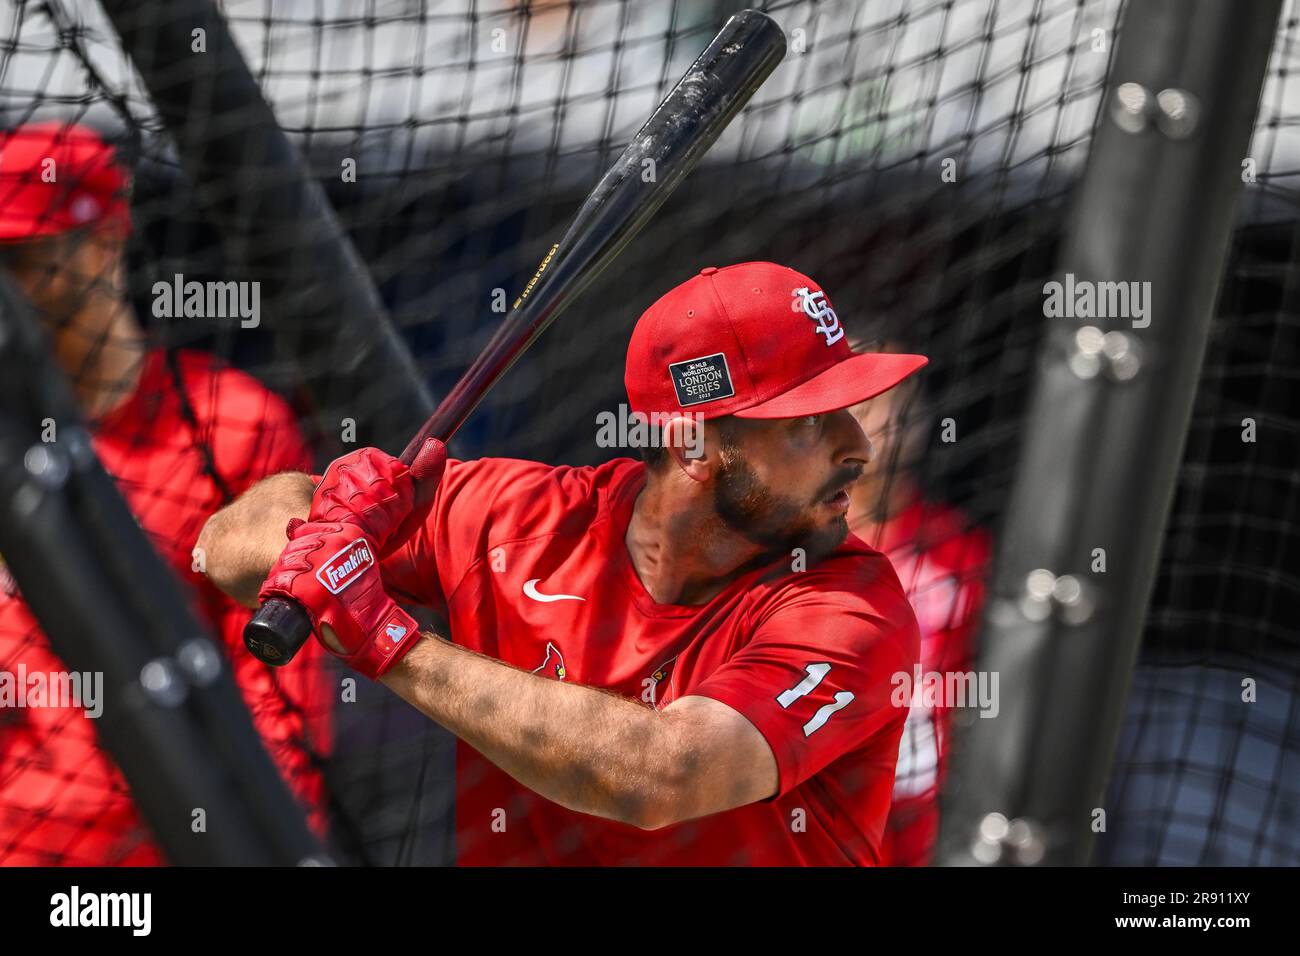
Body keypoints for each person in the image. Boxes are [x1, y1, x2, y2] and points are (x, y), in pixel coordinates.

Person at [201, 261, 927, 865]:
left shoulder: (852, 604)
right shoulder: (521, 518)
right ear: (695, 447)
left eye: (848, 408)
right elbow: (224, 548)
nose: (858, 446)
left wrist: (387, 641)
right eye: (808, 423)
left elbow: (662, 774)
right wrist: (330, 524)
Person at [0, 121, 330, 865]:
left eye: (32, 262)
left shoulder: (231, 426)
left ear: (108, 241)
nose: (15, 300)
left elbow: (282, 698)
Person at [844, 341, 992, 866]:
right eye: (864, 403)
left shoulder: (962, 553)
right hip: (815, 818)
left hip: (924, 829)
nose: (884, 421)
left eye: (900, 403)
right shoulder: (786, 550)